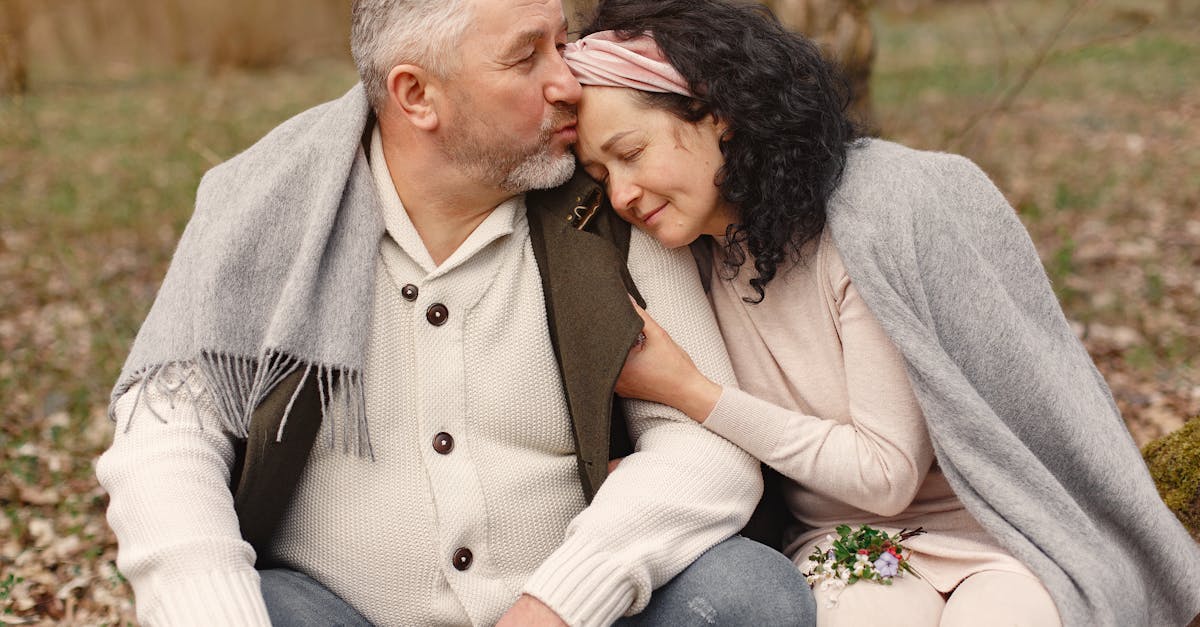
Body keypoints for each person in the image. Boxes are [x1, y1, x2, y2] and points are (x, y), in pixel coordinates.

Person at [95, 0, 818, 625]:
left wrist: (560, 603)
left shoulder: (609, 201)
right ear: (417, 95)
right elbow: (162, 445)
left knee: (748, 596)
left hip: (581, 615)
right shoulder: (262, 206)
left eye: (560, 43)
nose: (568, 81)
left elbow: (706, 449)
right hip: (337, 609)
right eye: (525, 58)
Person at [563, 0, 1200, 626]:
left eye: (631, 152)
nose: (621, 193)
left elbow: (884, 474)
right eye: (600, 172)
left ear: (718, 114)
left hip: (995, 535)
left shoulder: (867, 223)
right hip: (848, 545)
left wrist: (691, 392)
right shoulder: (677, 258)